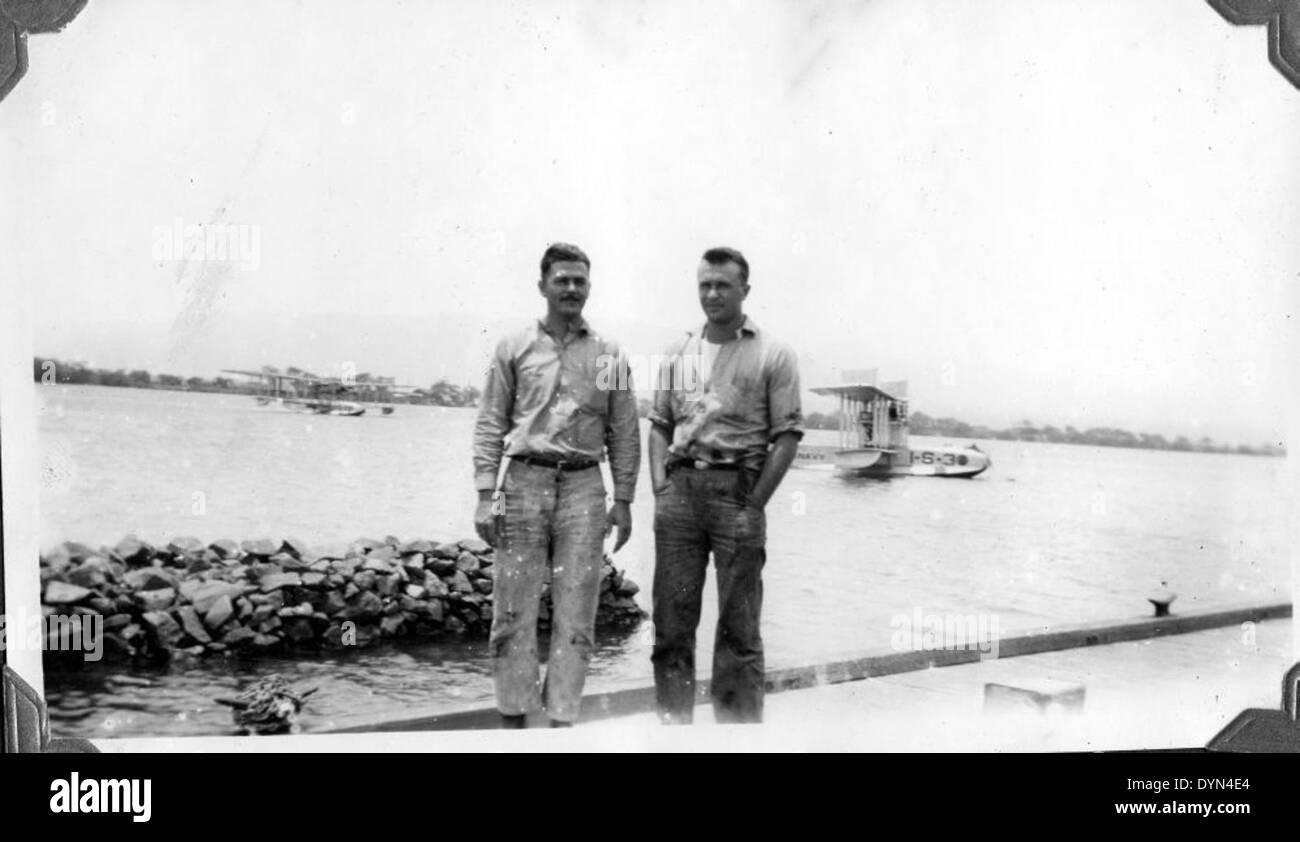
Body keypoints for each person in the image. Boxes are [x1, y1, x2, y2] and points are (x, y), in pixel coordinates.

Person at [472, 242, 640, 728]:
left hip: (586, 489)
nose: (571, 288)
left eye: (580, 280)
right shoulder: (513, 346)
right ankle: (515, 720)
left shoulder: (608, 354)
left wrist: (624, 499)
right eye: (562, 279)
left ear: (589, 287)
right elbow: (490, 423)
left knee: (577, 617)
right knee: (511, 614)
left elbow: (625, 431)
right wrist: (487, 495)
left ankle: (562, 723)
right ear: (543, 285)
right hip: (521, 482)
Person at [646, 246, 803, 724]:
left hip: (737, 494)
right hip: (680, 497)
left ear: (744, 291)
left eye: (723, 285)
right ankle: (673, 734)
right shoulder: (679, 351)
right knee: (671, 628)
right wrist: (660, 487)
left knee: (738, 631)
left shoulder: (773, 353)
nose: (712, 294)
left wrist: (754, 503)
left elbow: (788, 435)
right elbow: (658, 424)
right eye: (705, 285)